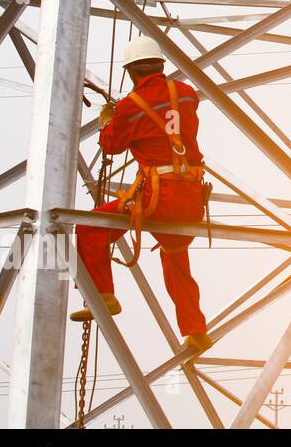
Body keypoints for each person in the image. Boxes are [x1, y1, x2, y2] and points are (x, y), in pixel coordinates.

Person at [71, 35, 212, 353]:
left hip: (158, 198)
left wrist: (109, 120)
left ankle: (103, 295)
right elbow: (173, 120)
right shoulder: (186, 94)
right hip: (192, 198)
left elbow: (112, 146)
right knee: (174, 252)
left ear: (131, 72)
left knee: (91, 226)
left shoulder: (131, 107)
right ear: (161, 65)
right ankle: (195, 328)